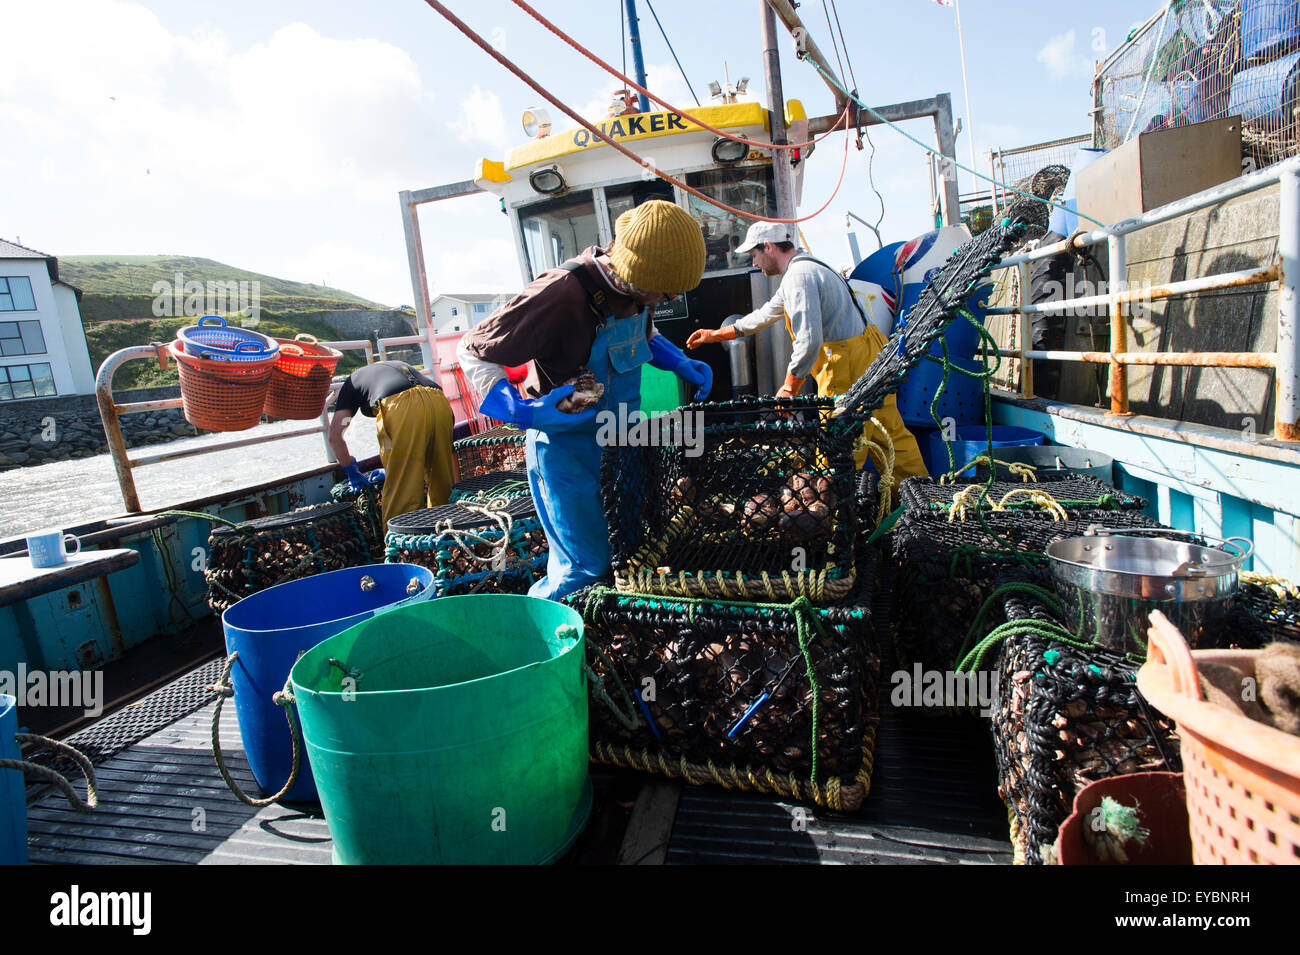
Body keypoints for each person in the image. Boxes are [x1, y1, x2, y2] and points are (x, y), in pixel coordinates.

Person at [457, 199, 710, 601]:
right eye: (663, 291)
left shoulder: (638, 291)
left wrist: (678, 360)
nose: (665, 298)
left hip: (622, 445)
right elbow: (472, 350)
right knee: (585, 567)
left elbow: (644, 332)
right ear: (632, 270)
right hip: (568, 453)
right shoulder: (559, 294)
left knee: (628, 550)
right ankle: (549, 645)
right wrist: (516, 408)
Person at [686, 220, 928, 498]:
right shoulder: (810, 266)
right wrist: (714, 334)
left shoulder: (798, 277)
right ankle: (919, 500)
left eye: (754, 255)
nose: (754, 263)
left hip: (845, 364)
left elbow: (809, 341)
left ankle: (835, 515)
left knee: (841, 440)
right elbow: (765, 314)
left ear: (768, 247)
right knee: (890, 432)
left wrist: (789, 387)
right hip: (870, 355)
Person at [326, 359, 456, 532]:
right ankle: (448, 535)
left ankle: (400, 547)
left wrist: (350, 470)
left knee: (402, 488)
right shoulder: (384, 371)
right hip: (439, 400)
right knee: (442, 479)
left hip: (401, 405)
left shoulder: (351, 384)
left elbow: (335, 436)